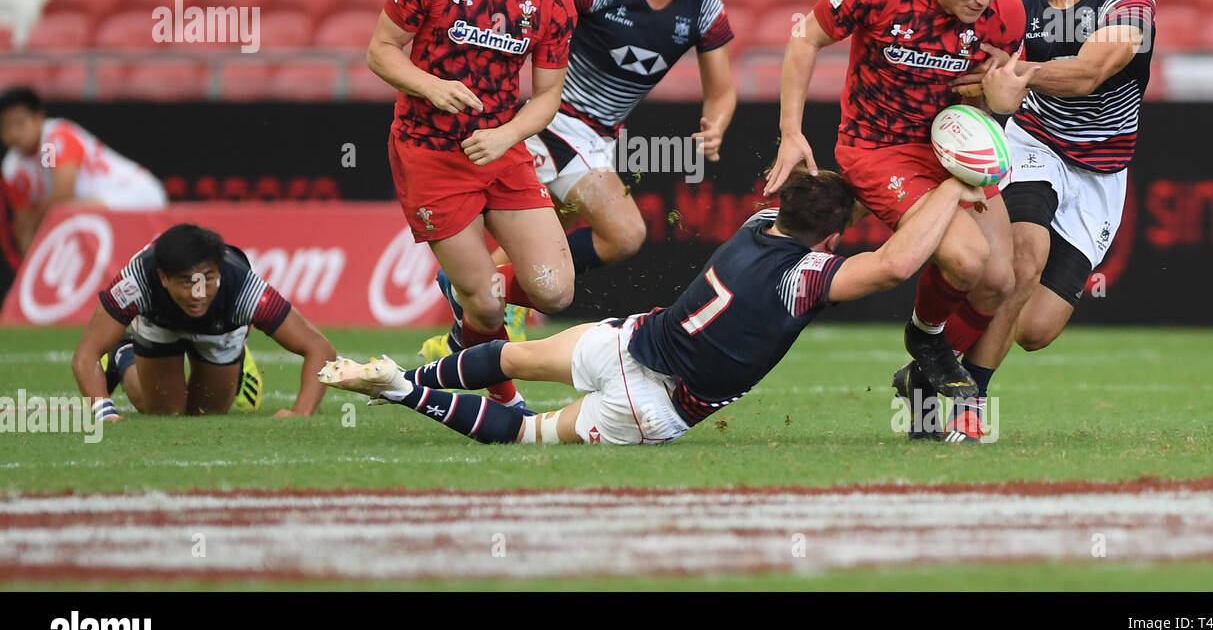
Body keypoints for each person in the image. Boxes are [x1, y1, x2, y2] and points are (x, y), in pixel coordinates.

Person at [319, 167, 989, 445]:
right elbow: (899, 263)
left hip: (629, 338)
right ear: (834, 236)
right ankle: (402, 391)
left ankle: (403, 376)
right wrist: (953, 186)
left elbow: (799, 201)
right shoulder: (806, 277)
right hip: (656, 405)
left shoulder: (755, 224)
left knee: (512, 357)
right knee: (527, 433)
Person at [422, 0, 740, 360]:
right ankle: (493, 301)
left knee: (548, 232)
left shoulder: (704, 10)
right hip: (553, 120)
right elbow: (537, 1)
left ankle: (468, 315)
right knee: (625, 233)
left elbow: (722, 90)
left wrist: (716, 123)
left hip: (601, 137)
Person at [763, 0, 1037, 440]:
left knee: (1000, 280)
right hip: (878, 147)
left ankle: (921, 380)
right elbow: (804, 39)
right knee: (966, 258)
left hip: (951, 145)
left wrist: (1000, 95)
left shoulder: (1007, 13)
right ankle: (926, 340)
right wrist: (791, 131)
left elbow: (1003, 81)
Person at [925, 0, 1156, 439]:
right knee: (1025, 252)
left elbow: (1088, 73)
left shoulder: (1130, 4)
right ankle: (965, 401)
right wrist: (978, 86)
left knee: (1035, 328)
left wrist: (1015, 75)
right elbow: (975, 76)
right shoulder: (1017, 4)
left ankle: (933, 356)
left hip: (1102, 172)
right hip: (1032, 142)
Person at [366, 0, 577, 415]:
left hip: (499, 149)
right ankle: (506, 398)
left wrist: (508, 136)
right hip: (428, 151)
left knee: (557, 290)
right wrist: (432, 87)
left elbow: (549, 96)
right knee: (487, 302)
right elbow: (380, 51)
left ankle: (463, 322)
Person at [70, 223, 337, 421]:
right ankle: (125, 353)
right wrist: (104, 412)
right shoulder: (137, 281)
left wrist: (301, 413)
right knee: (164, 412)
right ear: (163, 277)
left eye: (207, 279)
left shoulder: (243, 288)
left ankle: (238, 357)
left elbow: (320, 349)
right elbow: (86, 352)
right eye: (186, 282)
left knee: (206, 413)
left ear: (219, 271)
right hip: (160, 322)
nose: (198, 294)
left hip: (220, 329)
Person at [0, 86, 167, 255]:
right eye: (6, 126)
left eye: (20, 123)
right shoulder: (12, 167)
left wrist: (35, 227)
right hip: (95, 209)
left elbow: (61, 197)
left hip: (137, 192)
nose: (14, 132)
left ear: (38, 118)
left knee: (67, 214)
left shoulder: (53, 138)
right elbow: (23, 222)